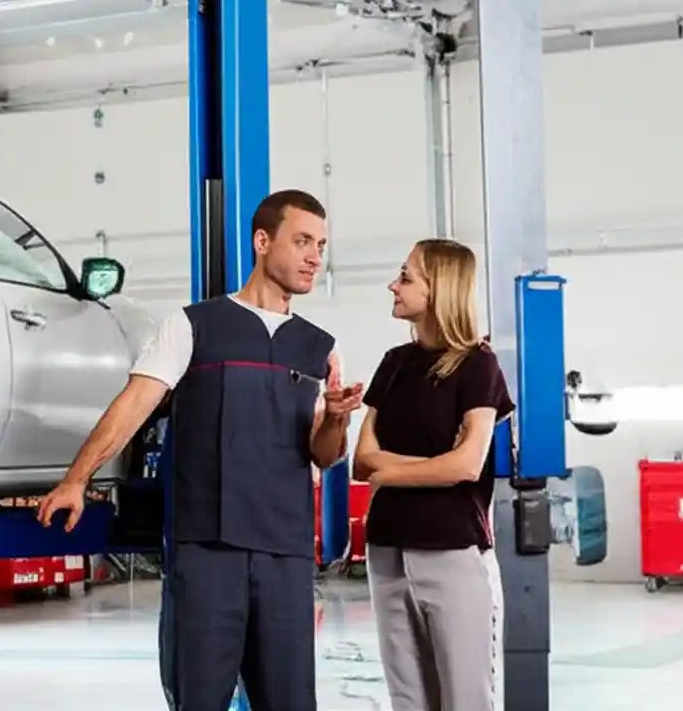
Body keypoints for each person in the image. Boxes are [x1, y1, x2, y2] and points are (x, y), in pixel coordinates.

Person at [37, 189, 363, 710]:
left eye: (321, 245)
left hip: (285, 551)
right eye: (302, 241)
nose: (314, 257)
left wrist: (338, 419)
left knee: (291, 701)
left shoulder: (320, 346)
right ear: (262, 241)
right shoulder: (192, 327)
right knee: (199, 699)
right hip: (207, 549)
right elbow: (132, 406)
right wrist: (77, 479)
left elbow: (323, 453)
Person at [352, 238, 516, 711]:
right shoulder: (395, 364)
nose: (393, 285)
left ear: (440, 288)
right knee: (409, 699)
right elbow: (364, 460)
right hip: (387, 551)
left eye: (405, 277)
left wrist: (391, 471)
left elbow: (467, 464)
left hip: (453, 553)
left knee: (465, 699)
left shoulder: (477, 365)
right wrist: (426, 468)